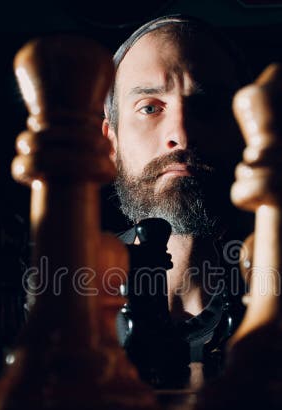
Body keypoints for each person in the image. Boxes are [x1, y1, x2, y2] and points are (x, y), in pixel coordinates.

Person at [102, 15, 250, 369]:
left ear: (245, 131)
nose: (181, 134)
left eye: (207, 106)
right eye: (150, 107)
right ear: (111, 144)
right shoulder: (56, 306)